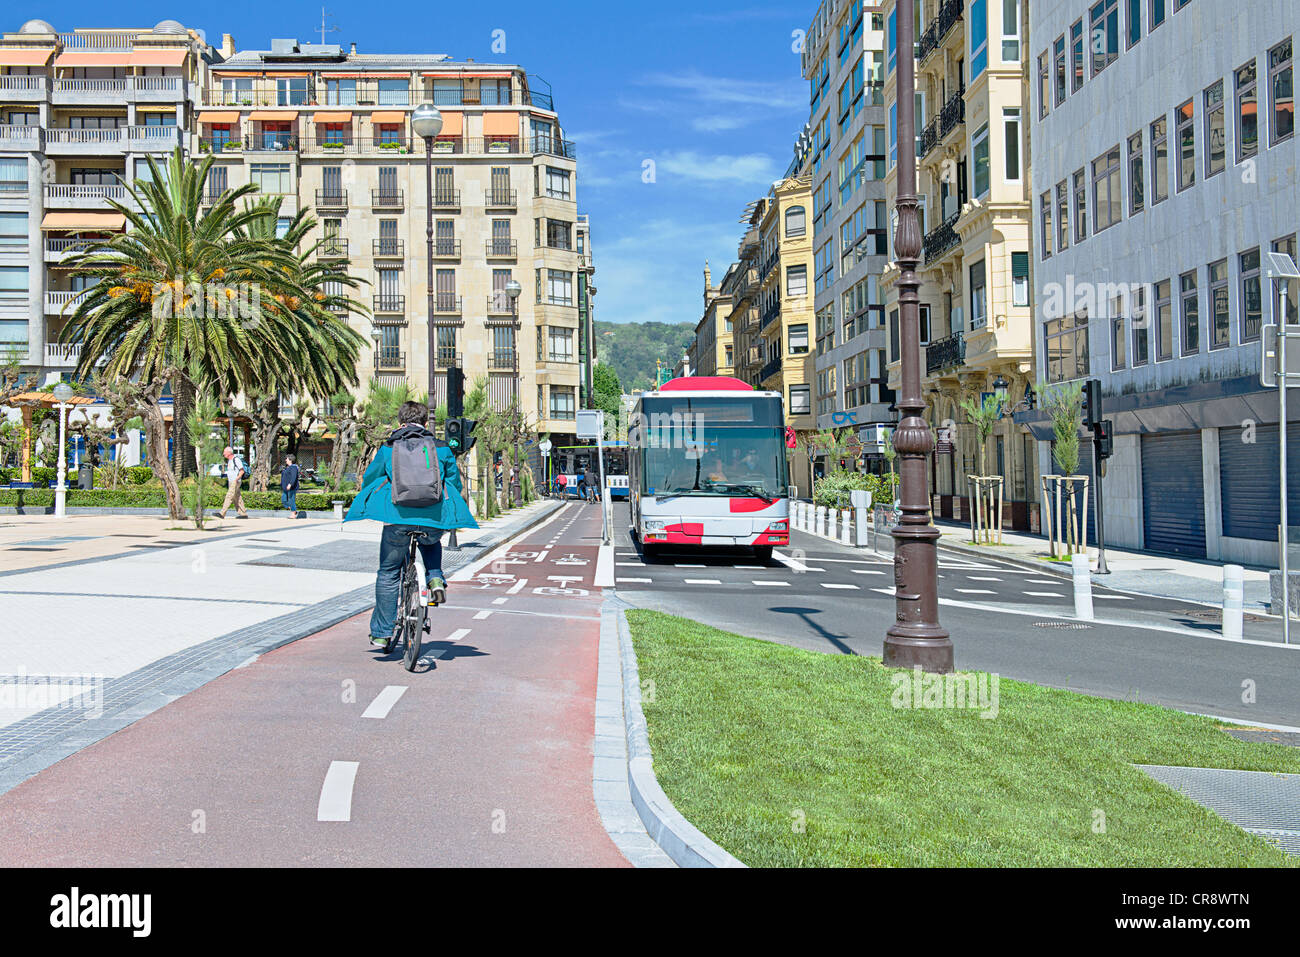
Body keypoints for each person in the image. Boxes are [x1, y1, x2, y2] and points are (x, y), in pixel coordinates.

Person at [345, 401, 477, 649]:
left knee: (388, 572)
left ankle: (382, 632)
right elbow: (454, 484)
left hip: (398, 519)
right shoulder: (442, 449)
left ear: (400, 422)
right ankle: (436, 578)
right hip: (432, 516)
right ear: (426, 422)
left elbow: (371, 479)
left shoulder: (389, 447)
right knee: (431, 540)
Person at [217, 446, 248, 520]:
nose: (223, 453)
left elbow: (242, 470)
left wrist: (237, 479)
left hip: (235, 481)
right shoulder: (230, 461)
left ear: (229, 453)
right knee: (237, 497)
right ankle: (243, 513)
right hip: (231, 481)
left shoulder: (236, 460)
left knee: (229, 495)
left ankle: (222, 513)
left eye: (225, 452)